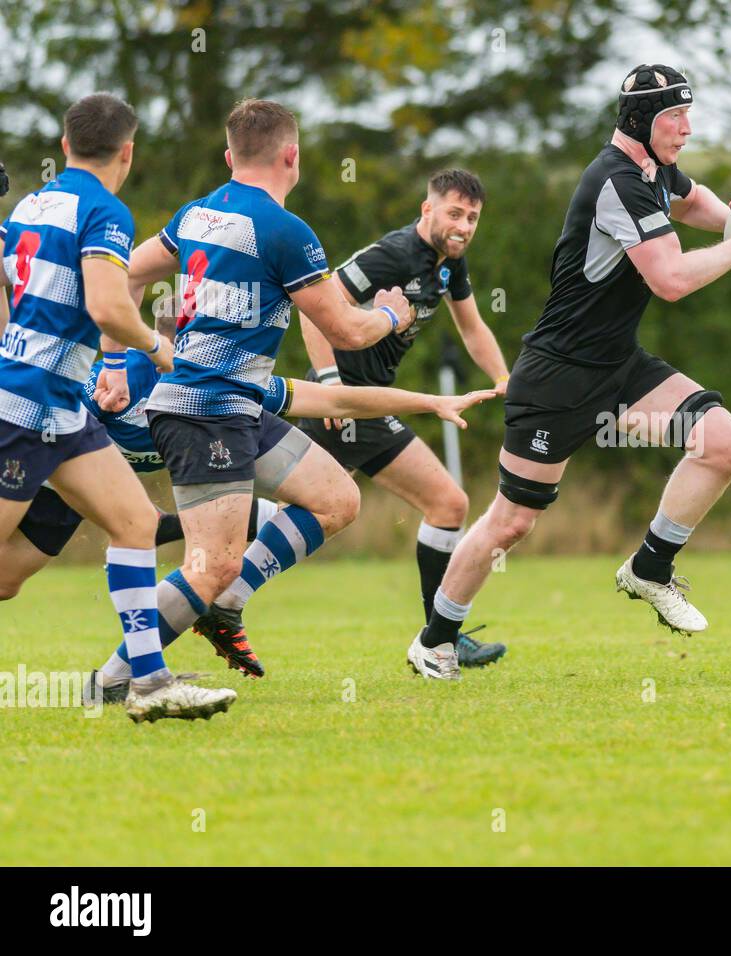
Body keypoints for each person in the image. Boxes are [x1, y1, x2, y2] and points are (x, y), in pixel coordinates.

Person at [412, 64, 731, 681]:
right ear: (642, 120)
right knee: (511, 521)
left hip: (618, 365)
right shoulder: (617, 183)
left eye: (688, 115)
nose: (687, 129)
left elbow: (693, 200)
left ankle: (649, 568)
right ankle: (434, 640)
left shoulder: (653, 171)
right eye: (675, 116)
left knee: (725, 443)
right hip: (557, 378)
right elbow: (669, 281)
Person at [0, 295, 494, 698]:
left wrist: (430, 402)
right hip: (54, 466)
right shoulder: (121, 375)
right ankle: (136, 657)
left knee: (334, 500)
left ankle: (119, 676)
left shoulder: (228, 378)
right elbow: (50, 402)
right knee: (7, 580)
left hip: (125, 480)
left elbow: (336, 400)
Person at [108, 98, 418, 681]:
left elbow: (121, 273)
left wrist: (121, 357)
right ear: (292, 155)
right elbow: (348, 331)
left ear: (230, 156)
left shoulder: (197, 213)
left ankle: (225, 604)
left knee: (336, 500)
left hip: (239, 406)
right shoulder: (285, 231)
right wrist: (392, 316)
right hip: (207, 411)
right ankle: (117, 678)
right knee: (210, 564)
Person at [0, 92, 234, 722]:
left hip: (62, 409)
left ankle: (149, 684)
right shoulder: (105, 211)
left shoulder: (29, 203)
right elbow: (107, 307)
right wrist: (159, 348)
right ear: (127, 151)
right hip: (26, 407)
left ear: (64, 145)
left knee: (134, 523)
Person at [298, 169, 509, 668]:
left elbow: (473, 327)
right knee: (443, 503)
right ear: (427, 210)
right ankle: (439, 638)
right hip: (346, 404)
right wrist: (331, 384)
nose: (463, 226)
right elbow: (313, 311)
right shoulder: (391, 255)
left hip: (370, 402)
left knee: (311, 514)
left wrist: (506, 379)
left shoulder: (449, 264)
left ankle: (440, 637)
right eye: (454, 214)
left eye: (473, 218)